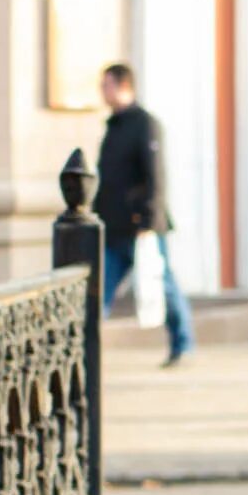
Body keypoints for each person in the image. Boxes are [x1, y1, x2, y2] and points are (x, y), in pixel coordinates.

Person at [95, 64, 194, 365]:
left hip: (141, 227)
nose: (103, 92)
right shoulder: (114, 126)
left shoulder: (145, 125)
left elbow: (155, 177)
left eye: (106, 85)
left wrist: (149, 221)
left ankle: (183, 343)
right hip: (114, 226)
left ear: (124, 86)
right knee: (100, 291)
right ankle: (86, 349)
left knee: (162, 284)